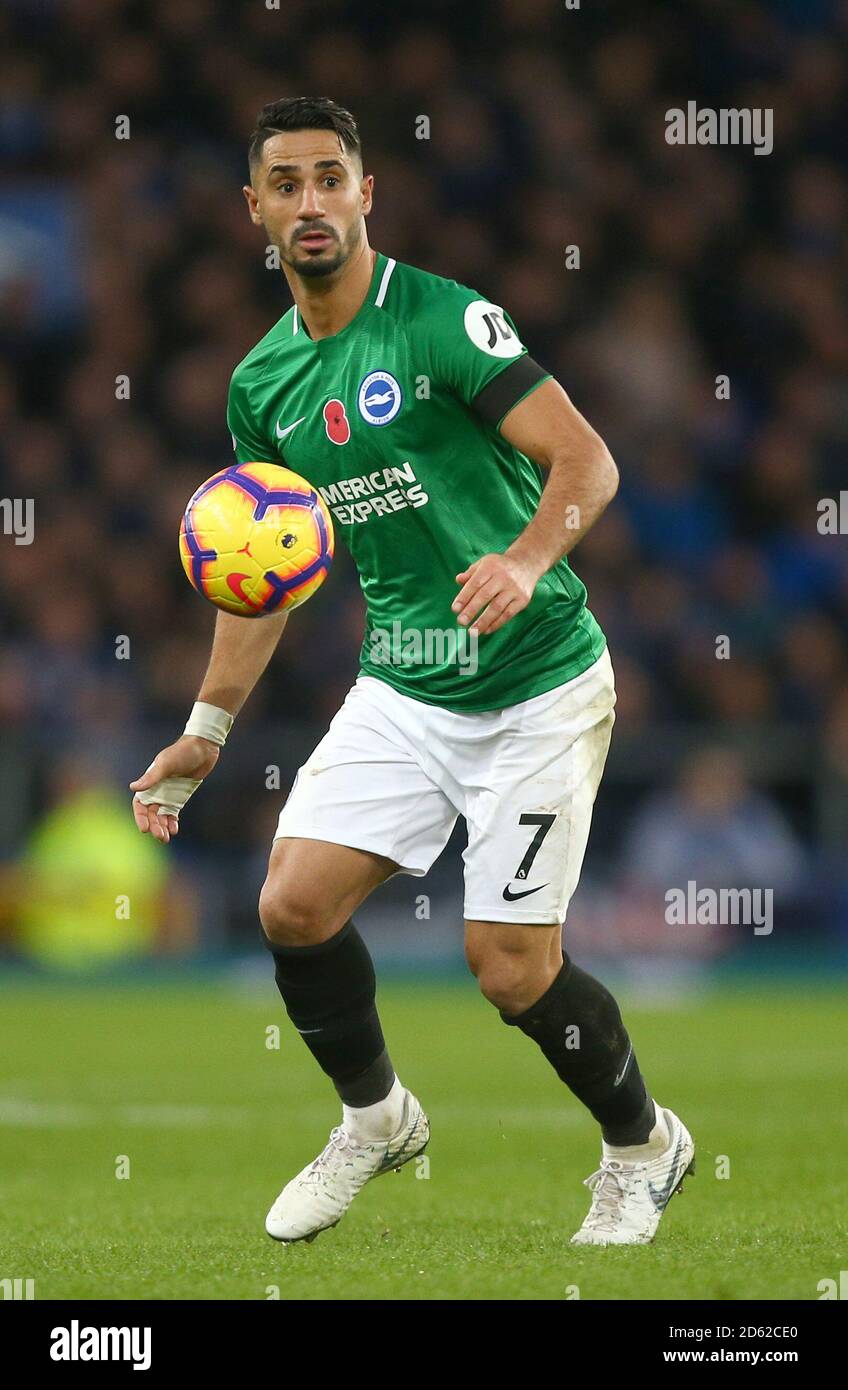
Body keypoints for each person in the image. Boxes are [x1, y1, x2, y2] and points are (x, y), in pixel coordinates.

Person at [130, 97, 694, 1247]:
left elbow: (586, 457)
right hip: (406, 685)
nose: (310, 203)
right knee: (290, 904)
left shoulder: (442, 320)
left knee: (509, 972)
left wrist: (529, 558)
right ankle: (377, 1118)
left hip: (537, 684)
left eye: (329, 178)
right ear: (256, 211)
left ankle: (644, 1146)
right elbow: (264, 572)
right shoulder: (262, 385)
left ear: (365, 191)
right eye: (284, 185)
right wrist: (209, 727)